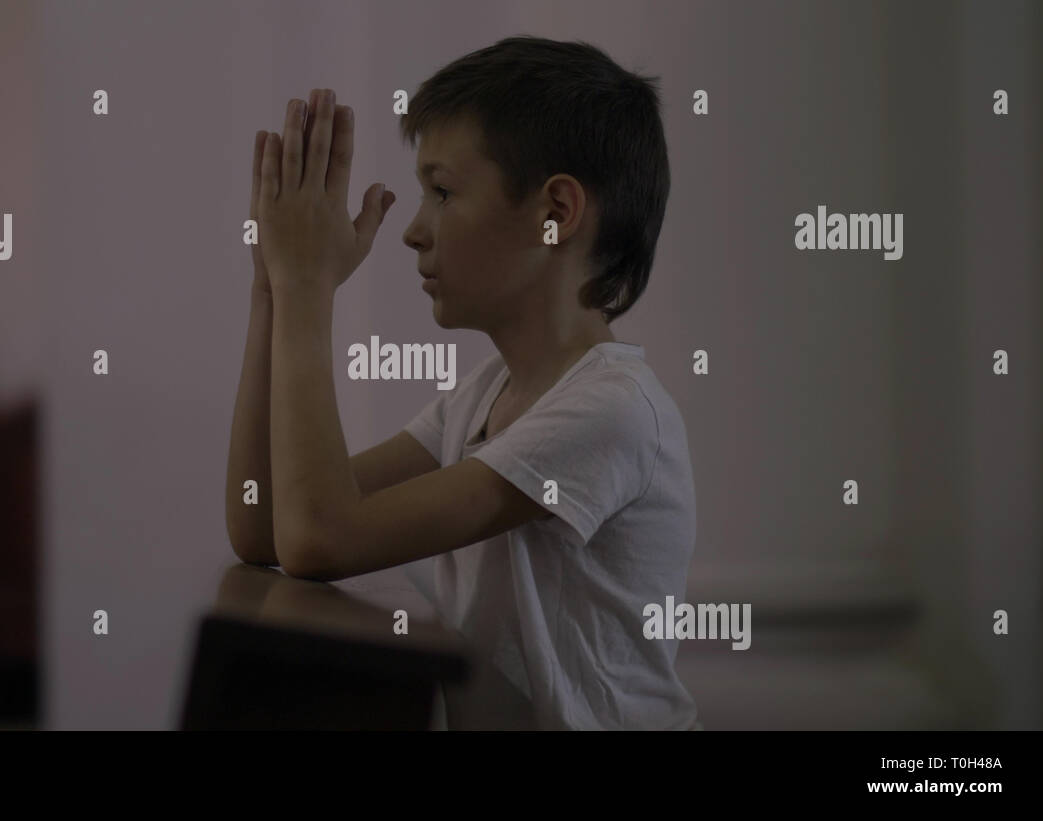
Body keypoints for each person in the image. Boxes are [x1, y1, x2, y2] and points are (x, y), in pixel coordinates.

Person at [225, 36, 698, 730]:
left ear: (556, 212)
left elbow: (321, 536)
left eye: (443, 192)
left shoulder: (611, 411)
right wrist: (272, 286)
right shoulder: (483, 395)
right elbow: (264, 522)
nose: (414, 230)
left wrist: (308, 287)